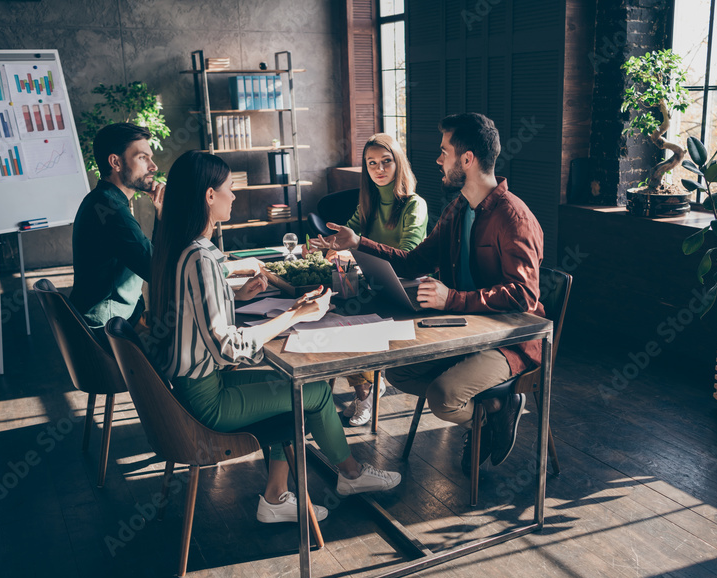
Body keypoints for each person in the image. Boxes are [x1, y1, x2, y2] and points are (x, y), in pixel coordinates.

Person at [149, 150, 401, 524]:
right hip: (206, 402)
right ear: (208, 196)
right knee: (313, 390)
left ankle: (278, 495)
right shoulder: (201, 256)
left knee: (291, 381)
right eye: (229, 189)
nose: (233, 196)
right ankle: (349, 475)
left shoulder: (183, 249)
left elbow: (190, 305)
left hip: (190, 387)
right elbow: (228, 347)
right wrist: (293, 314)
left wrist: (233, 294)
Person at [313, 113, 545, 476]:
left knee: (443, 397)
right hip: (462, 329)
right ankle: (489, 412)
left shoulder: (514, 217)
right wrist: (359, 243)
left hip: (508, 341)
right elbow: (412, 261)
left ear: (466, 159)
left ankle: (496, 410)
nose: (438, 159)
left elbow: (523, 296)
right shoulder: (457, 209)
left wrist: (451, 298)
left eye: (444, 152)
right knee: (398, 373)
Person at [337, 133, 428, 426]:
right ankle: (365, 389)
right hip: (376, 287)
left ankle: (366, 393)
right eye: (372, 163)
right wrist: (327, 245)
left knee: (351, 317)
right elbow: (347, 237)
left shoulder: (415, 204)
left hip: (409, 292)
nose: (379, 169)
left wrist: (356, 244)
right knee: (337, 310)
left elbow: (407, 255)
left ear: (398, 163)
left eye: (386, 161)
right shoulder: (369, 202)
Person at [70, 122, 164, 332]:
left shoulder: (101, 200)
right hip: (110, 333)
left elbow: (152, 259)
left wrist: (160, 215)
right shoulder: (112, 212)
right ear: (116, 162)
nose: (153, 166)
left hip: (118, 322)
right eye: (142, 157)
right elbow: (160, 272)